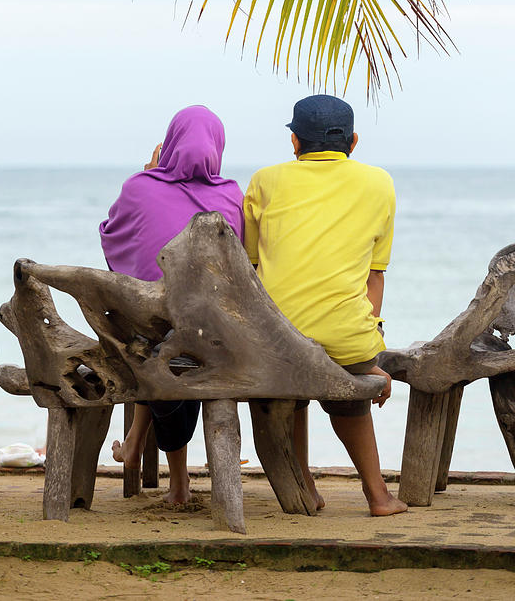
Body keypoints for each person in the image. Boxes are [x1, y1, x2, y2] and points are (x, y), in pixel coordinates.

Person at [243, 94, 407, 517]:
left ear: (295, 143)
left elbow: (252, 262)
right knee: (349, 395)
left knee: (293, 390)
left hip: (276, 339)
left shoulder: (264, 181)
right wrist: (370, 343)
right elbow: (375, 275)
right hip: (347, 338)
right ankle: (379, 497)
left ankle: (306, 490)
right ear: (353, 142)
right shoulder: (380, 183)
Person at [99, 105, 244, 504]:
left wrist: (148, 177)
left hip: (152, 332)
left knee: (157, 339)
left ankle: (166, 474)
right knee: (181, 337)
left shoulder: (138, 187)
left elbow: (113, 239)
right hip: (212, 335)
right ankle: (162, 472)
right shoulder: (230, 194)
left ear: (169, 144)